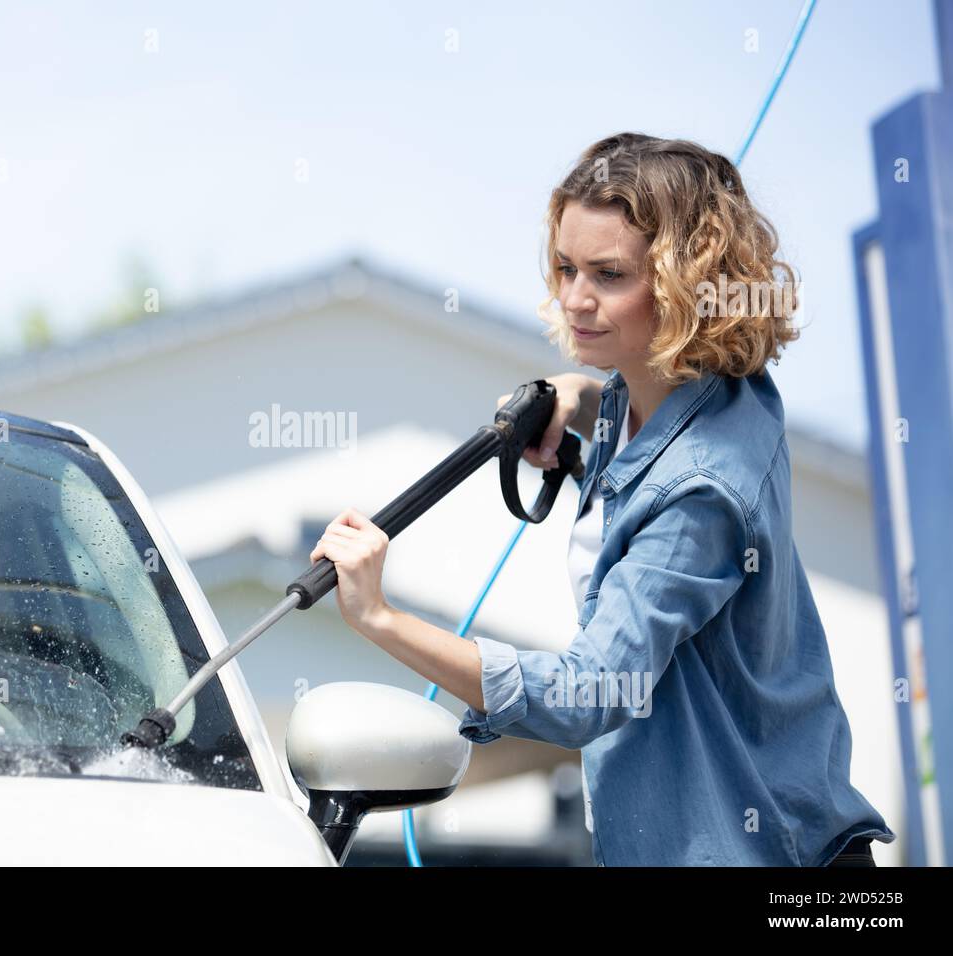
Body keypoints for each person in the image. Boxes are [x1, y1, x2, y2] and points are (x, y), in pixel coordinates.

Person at [308, 132, 895, 866]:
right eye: (565, 267)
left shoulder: (701, 491)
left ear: (687, 283)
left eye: (609, 275)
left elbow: (588, 693)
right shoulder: (700, 392)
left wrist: (380, 617)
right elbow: (637, 413)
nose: (574, 300)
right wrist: (580, 399)